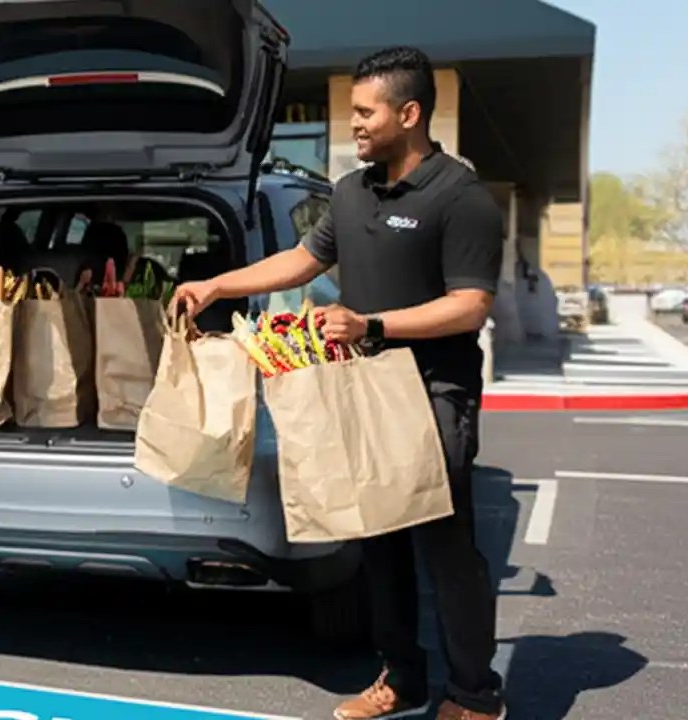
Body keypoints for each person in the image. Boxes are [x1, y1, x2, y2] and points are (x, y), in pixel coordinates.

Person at [172, 46, 506, 720]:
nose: (352, 123)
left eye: (364, 111)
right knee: (376, 539)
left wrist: (371, 325)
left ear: (408, 113)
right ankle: (402, 681)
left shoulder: (460, 197)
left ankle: (476, 697)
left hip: (434, 392)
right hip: (359, 390)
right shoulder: (352, 192)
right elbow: (302, 259)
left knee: (446, 552)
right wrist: (217, 284)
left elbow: (471, 304)